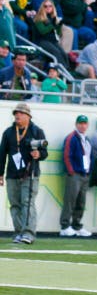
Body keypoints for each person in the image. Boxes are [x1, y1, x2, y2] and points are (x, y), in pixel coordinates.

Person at [0, 102, 47, 244]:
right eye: (16, 113)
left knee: (27, 202)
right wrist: (0, 173)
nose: (17, 116)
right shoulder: (8, 132)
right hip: (12, 174)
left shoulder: (37, 131)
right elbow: (2, 154)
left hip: (30, 174)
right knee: (14, 204)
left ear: (28, 116)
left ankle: (29, 233)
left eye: (20, 113)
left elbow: (45, 152)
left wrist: (39, 154)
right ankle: (19, 232)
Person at [60, 114, 93, 238]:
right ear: (76, 124)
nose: (83, 125)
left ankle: (76, 225)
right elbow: (66, 155)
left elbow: (90, 157)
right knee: (70, 201)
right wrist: (71, 171)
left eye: (85, 123)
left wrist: (89, 172)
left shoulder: (87, 139)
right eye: (80, 123)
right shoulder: (71, 138)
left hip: (84, 174)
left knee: (81, 202)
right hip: (75, 174)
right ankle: (64, 226)